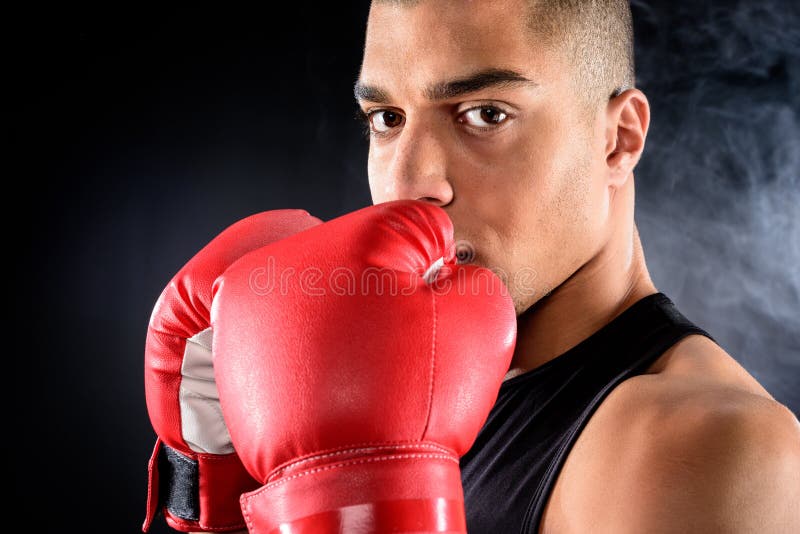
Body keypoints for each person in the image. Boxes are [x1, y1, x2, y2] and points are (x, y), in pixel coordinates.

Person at [143, 1, 800, 532]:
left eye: (485, 114)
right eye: (387, 118)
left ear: (617, 139)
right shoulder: (390, 387)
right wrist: (216, 497)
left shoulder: (708, 445)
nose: (410, 184)